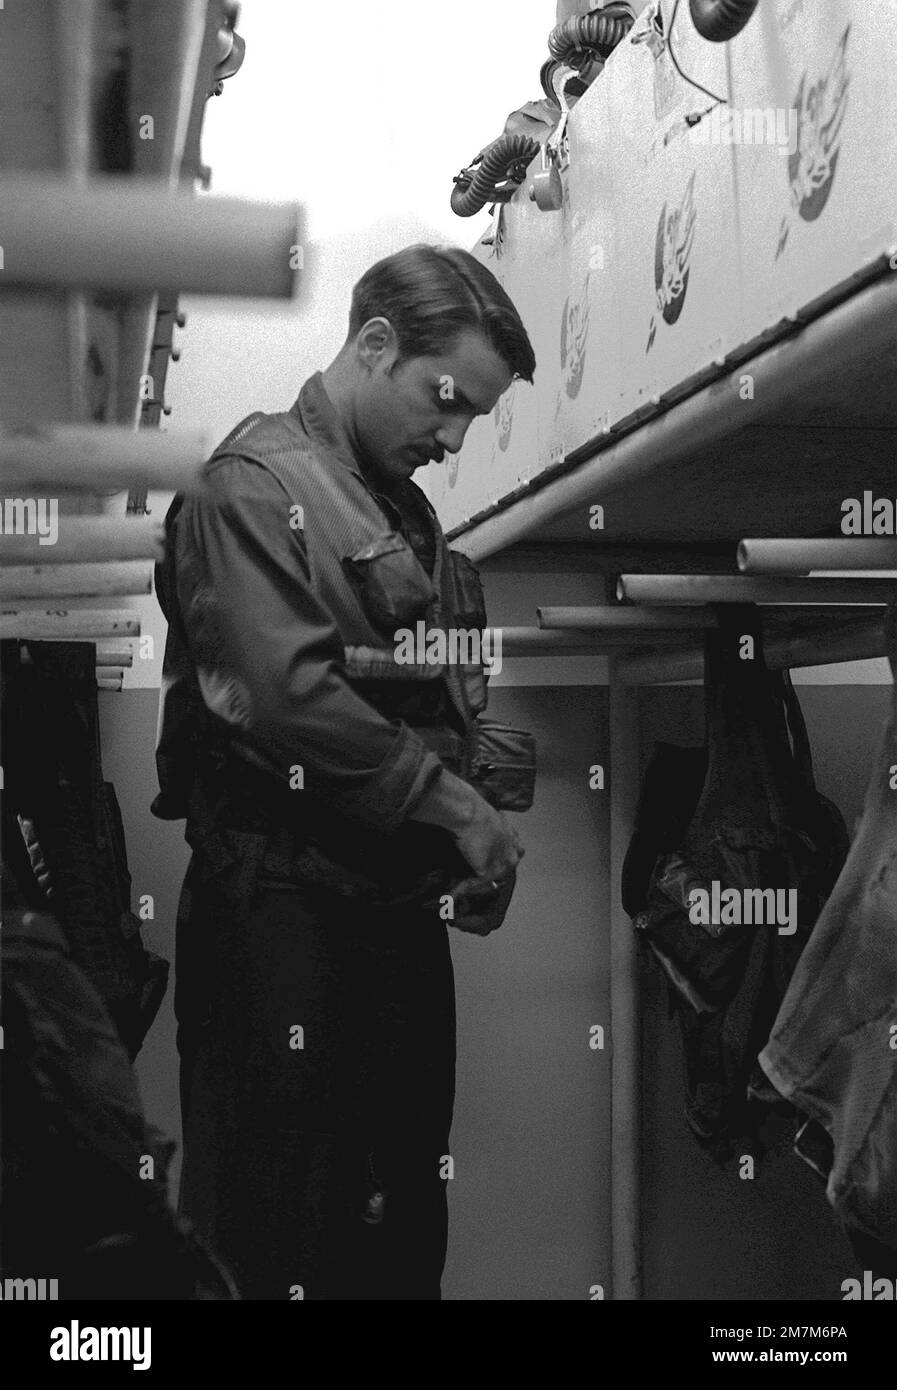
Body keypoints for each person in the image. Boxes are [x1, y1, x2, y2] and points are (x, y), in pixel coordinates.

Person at [152, 244, 536, 1300]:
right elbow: (284, 698)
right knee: (279, 1232)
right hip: (279, 910)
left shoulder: (388, 503)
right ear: (374, 344)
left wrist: (473, 829)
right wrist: (454, 807)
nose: (454, 440)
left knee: (398, 1231)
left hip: (387, 913)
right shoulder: (250, 486)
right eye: (446, 400)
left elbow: (415, 687)